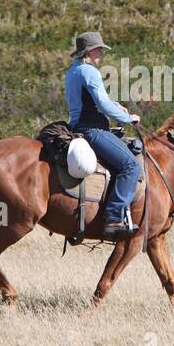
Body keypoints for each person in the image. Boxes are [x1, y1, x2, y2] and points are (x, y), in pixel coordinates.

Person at [65, 32, 141, 240]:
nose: (101, 53)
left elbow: (97, 101)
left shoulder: (73, 71)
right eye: (98, 49)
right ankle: (114, 218)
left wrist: (114, 105)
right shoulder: (89, 71)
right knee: (131, 166)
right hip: (92, 130)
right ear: (89, 52)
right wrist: (128, 118)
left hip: (78, 127)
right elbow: (102, 104)